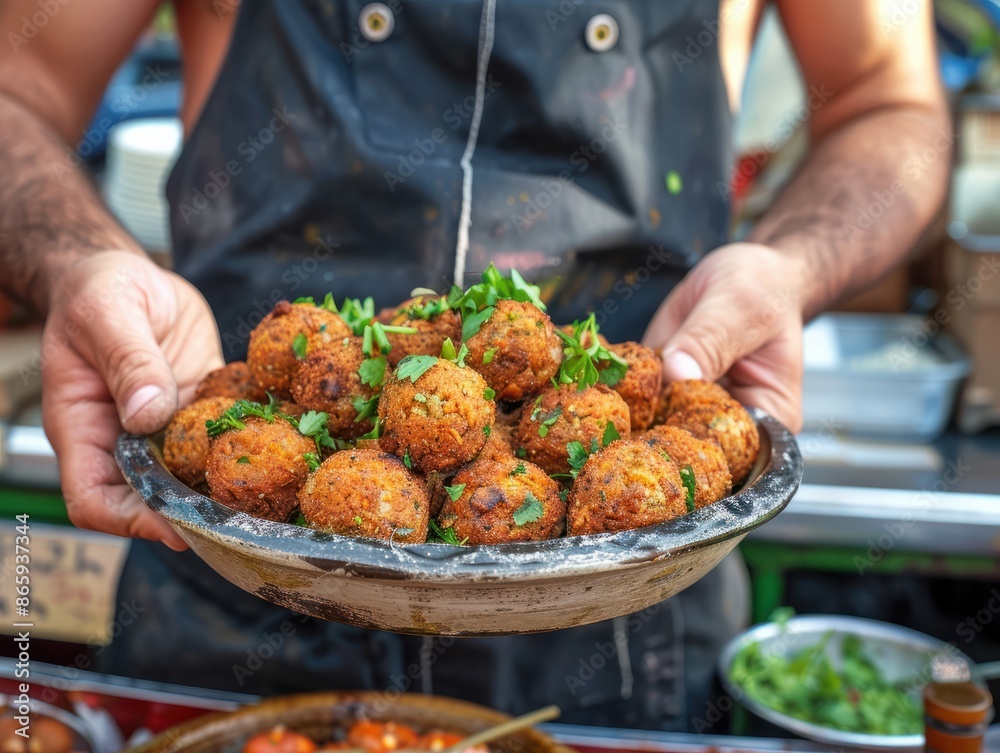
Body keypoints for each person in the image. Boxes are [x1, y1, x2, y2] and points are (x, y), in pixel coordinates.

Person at [0, 0, 949, 732]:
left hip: (620, 598)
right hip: (235, 556)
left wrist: (791, 263)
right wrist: (81, 259)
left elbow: (891, 104)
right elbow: (17, 84)